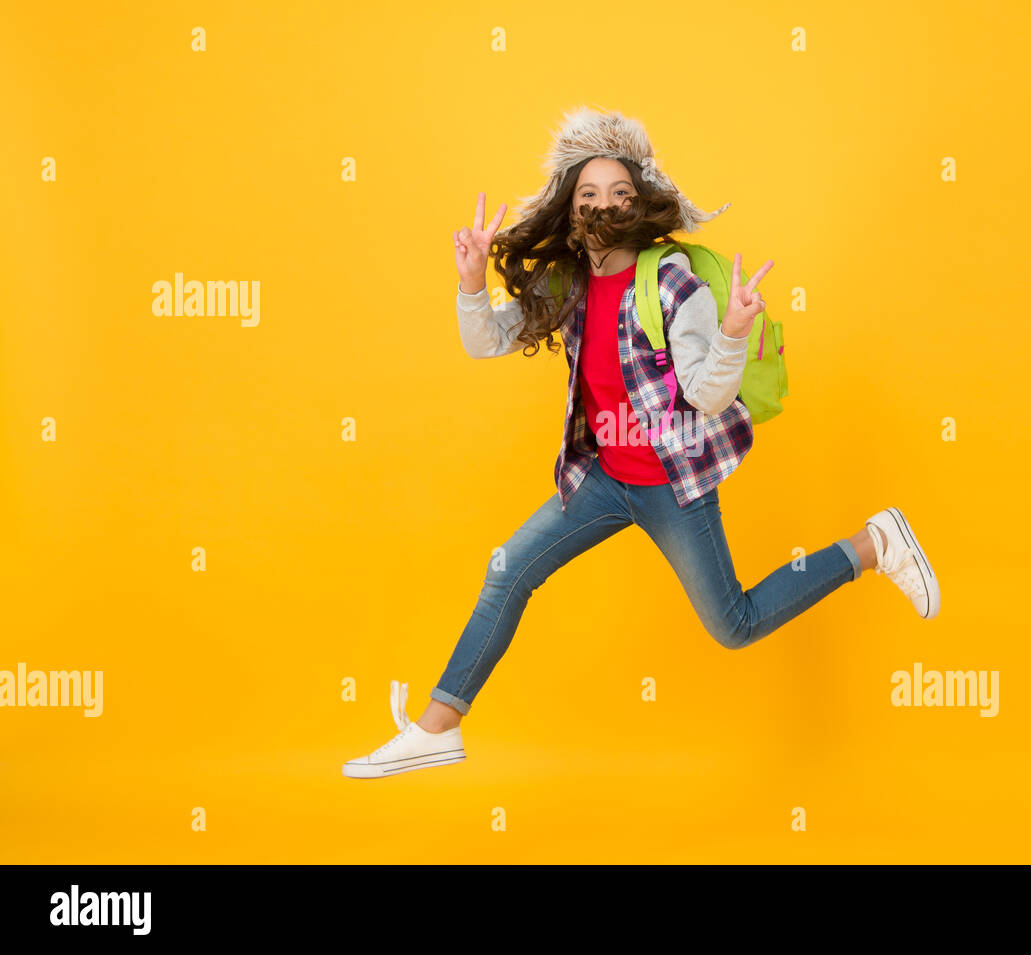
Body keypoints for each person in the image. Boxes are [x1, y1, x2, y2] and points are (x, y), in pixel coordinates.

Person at [342, 107, 939, 779]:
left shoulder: (673, 283)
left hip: (671, 481)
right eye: (588, 196)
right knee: (509, 567)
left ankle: (873, 543)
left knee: (733, 623)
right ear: (570, 209)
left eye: (617, 195)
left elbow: (707, 395)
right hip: (602, 479)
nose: (602, 207)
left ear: (640, 204)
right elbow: (485, 342)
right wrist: (472, 281)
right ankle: (438, 726)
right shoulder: (566, 283)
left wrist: (734, 333)